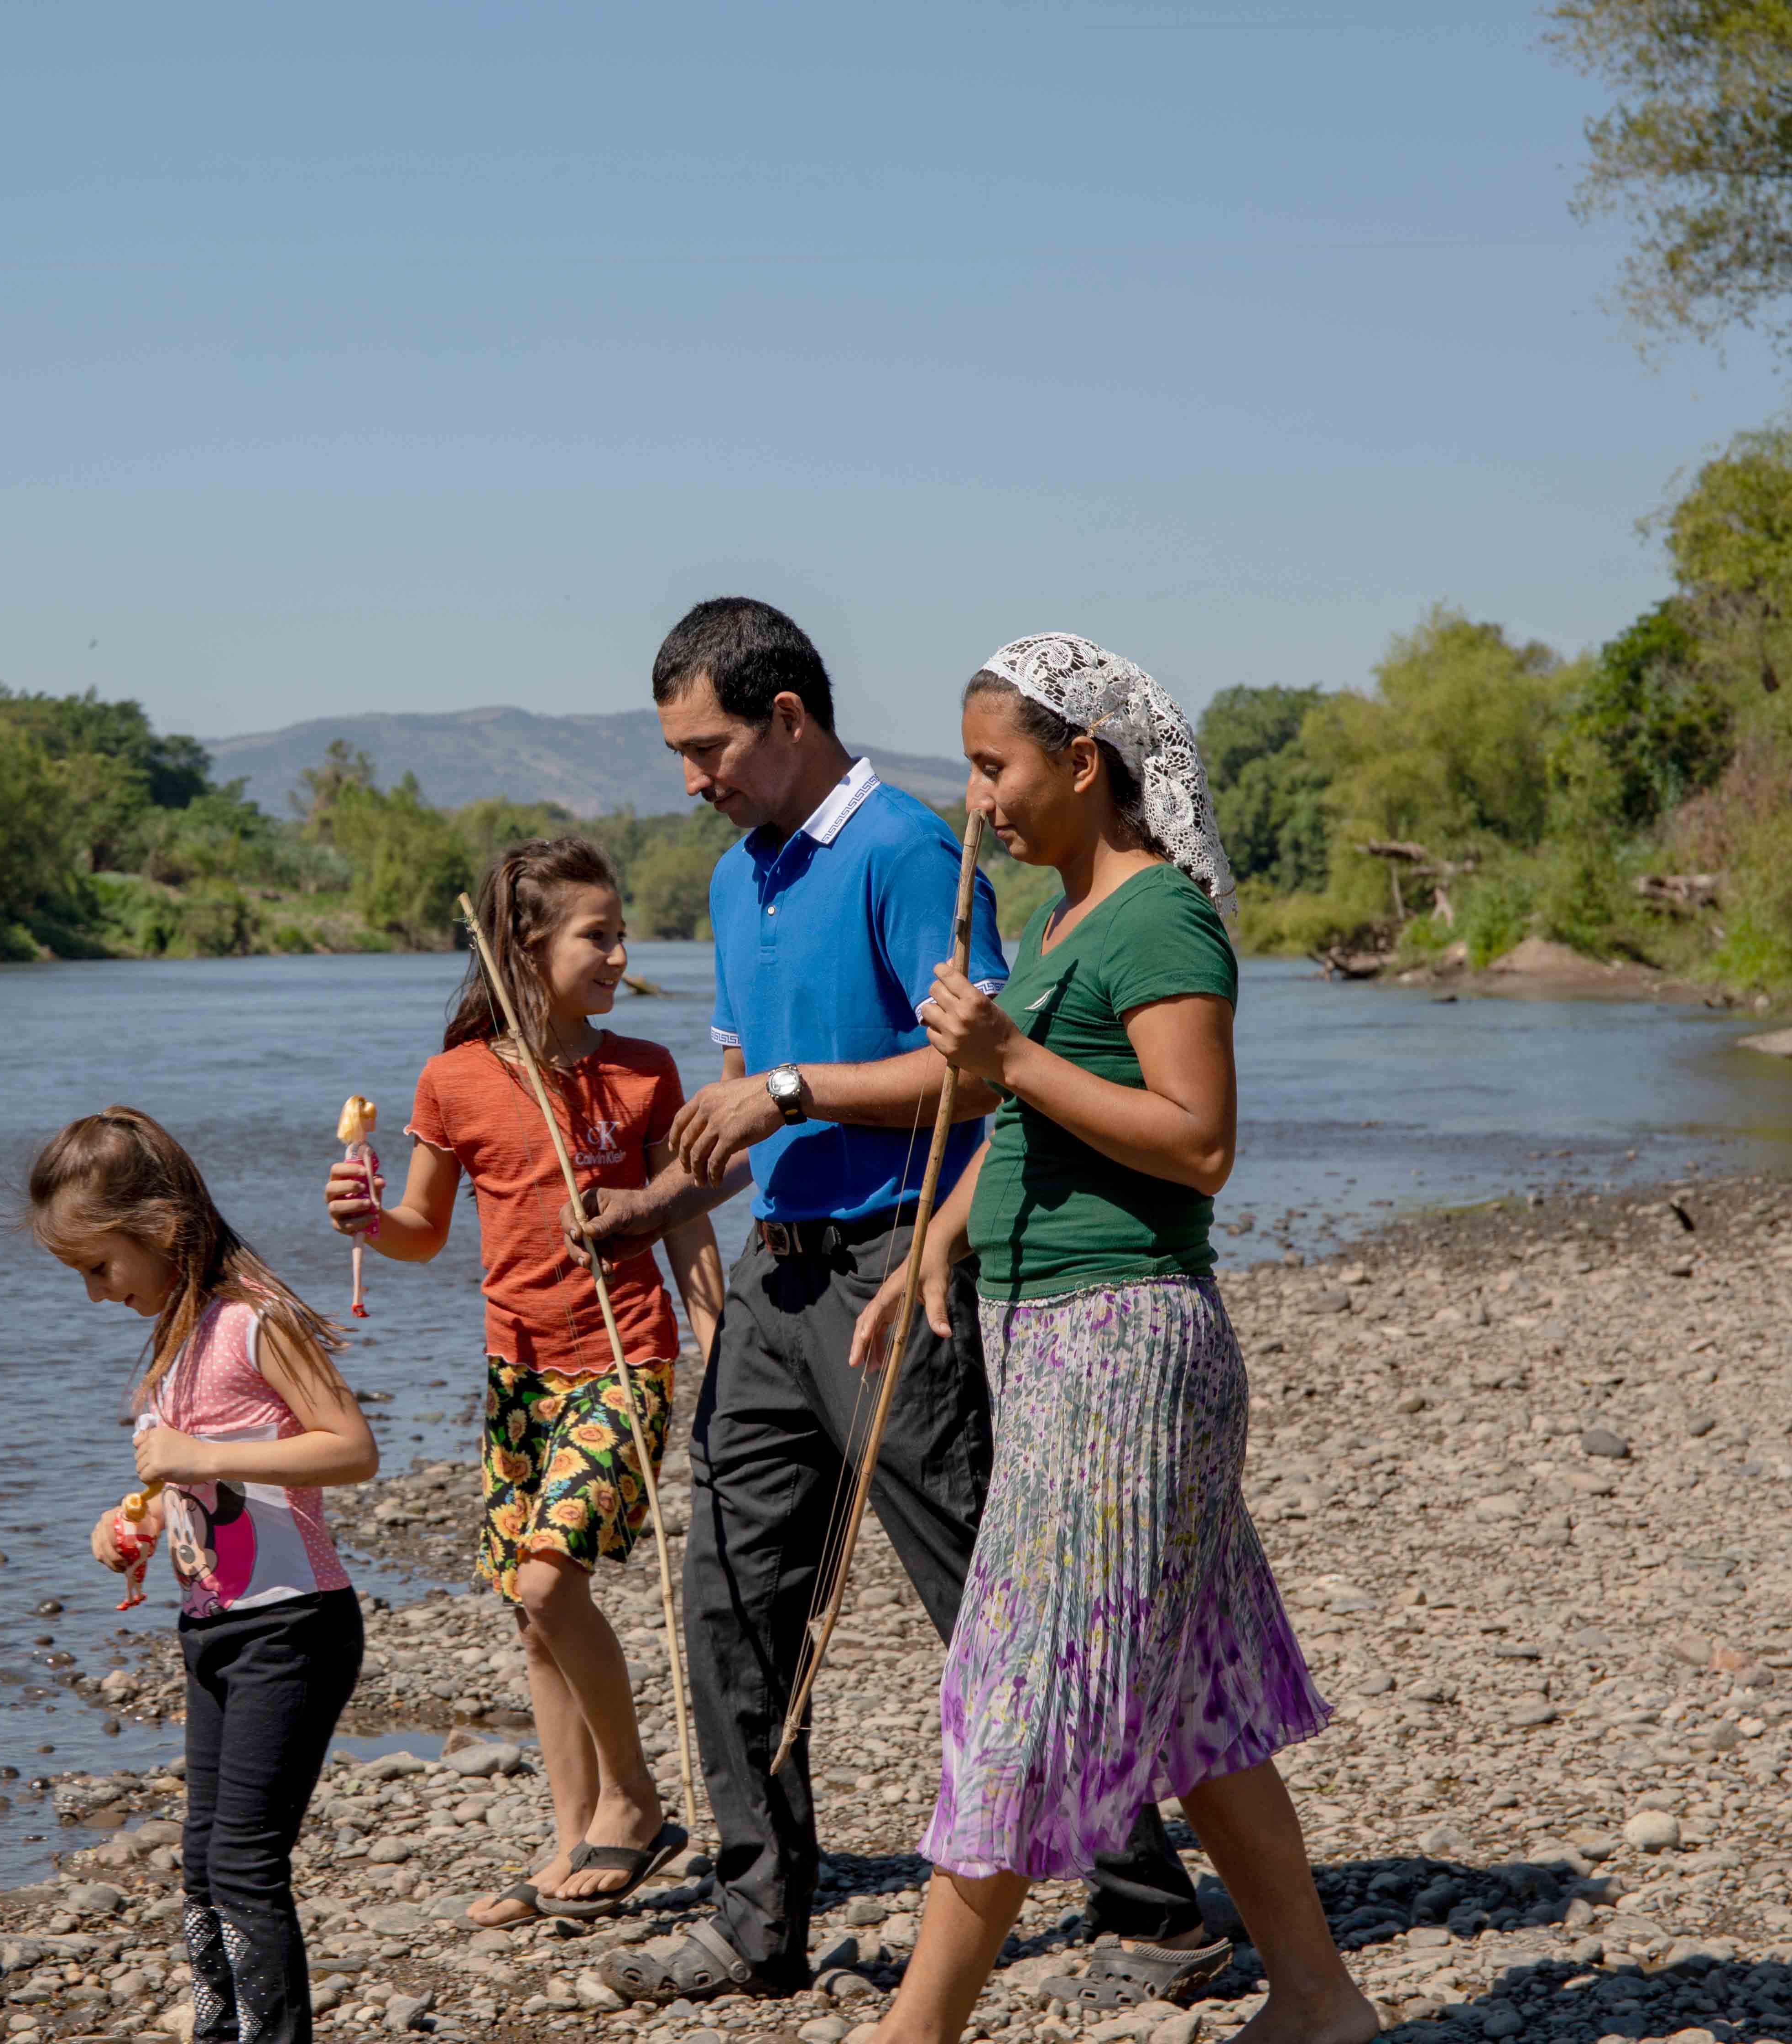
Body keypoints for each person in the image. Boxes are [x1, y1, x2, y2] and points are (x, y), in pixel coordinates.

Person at [584, 599, 1211, 2010]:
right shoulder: (739, 877)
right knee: (733, 1597)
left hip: (896, 1270)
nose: (695, 780)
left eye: (712, 747)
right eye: (681, 754)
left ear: (790, 717)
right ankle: (758, 1922)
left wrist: (792, 1092)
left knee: (990, 1599)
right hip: (775, 1275)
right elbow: (748, 1116)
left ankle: (1151, 1908)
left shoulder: (909, 851)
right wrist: (656, 1209)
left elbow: (983, 1069)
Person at [851, 633, 1373, 2044]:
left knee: (1013, 1688)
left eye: (994, 767)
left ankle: (914, 2036)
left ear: (1086, 764)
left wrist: (1004, 1057)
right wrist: (935, 1246)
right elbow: (1028, 1128)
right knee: (1199, 1695)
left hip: (1126, 1349)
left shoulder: (1158, 922)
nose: (977, 802)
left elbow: (1199, 1144)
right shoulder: (1076, 918)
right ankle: (1321, 1999)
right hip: (1058, 1345)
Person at [323, 836, 723, 1926]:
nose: (622, 952)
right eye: (598, 934)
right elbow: (419, 1231)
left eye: (619, 929)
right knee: (534, 1616)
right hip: (519, 1372)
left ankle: (634, 1802)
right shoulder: (453, 1078)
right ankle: (568, 1836)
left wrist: (716, 1332)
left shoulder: (645, 1068)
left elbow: (680, 1211)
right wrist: (366, 1216)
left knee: (550, 1579)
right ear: (523, 945)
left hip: (625, 1353)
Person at [32, 1107, 379, 2044]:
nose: (97, 1293)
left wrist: (202, 1449)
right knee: (201, 1862)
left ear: (164, 1227)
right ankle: (218, 2028)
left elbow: (350, 1448)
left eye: (100, 1267)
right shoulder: (176, 1341)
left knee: (247, 1859)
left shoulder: (252, 1318)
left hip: (294, 1623)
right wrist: (132, 1521)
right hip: (213, 1624)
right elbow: (199, 1479)